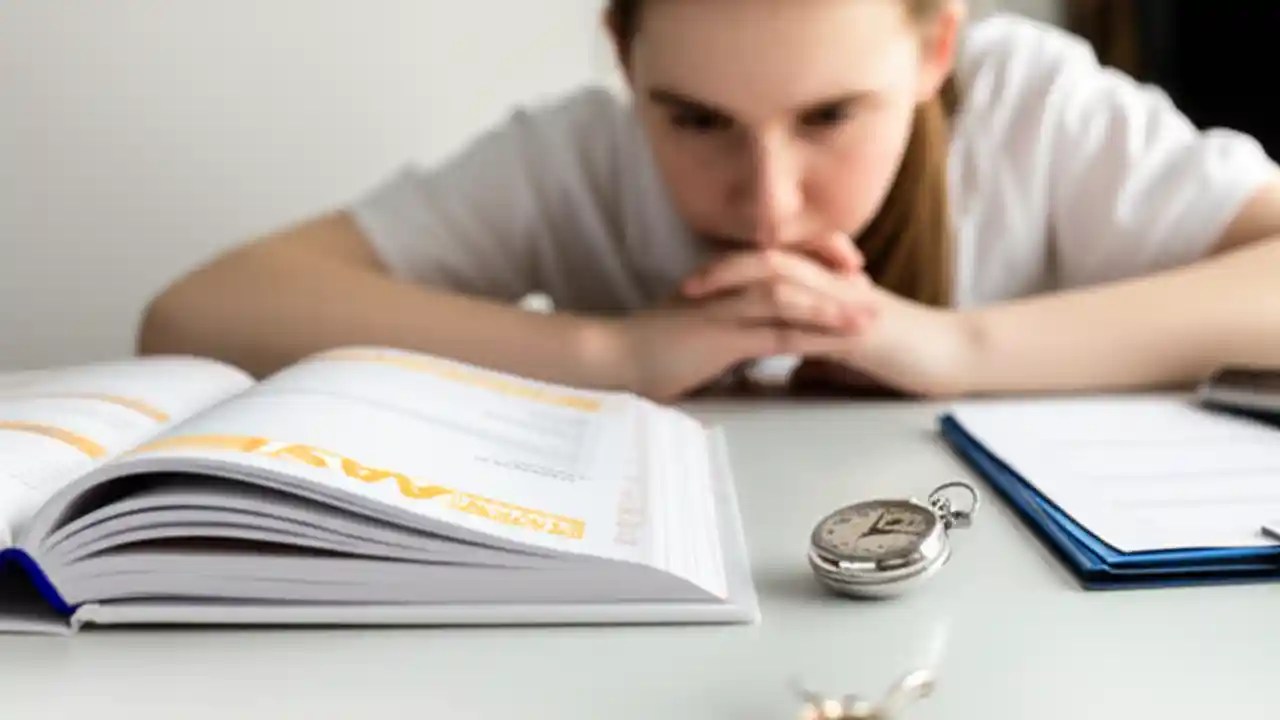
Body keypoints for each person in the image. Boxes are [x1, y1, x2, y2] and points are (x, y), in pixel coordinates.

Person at [136, 0, 1280, 403]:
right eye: (694, 121)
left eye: (830, 117)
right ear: (626, 65)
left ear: (936, 51)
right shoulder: (579, 154)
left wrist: (954, 345)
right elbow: (201, 312)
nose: (769, 204)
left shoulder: (1037, 107)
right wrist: (610, 353)